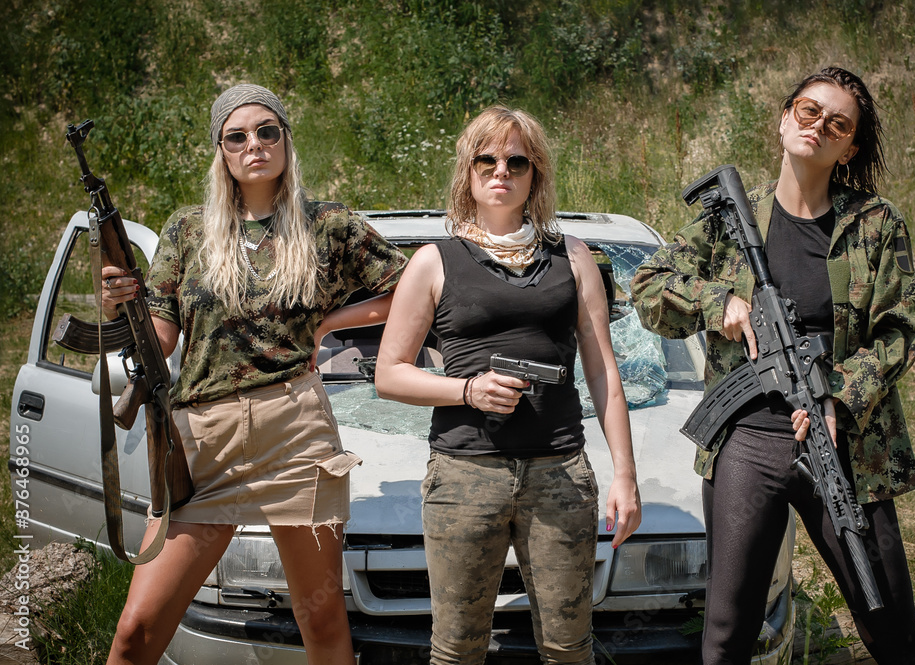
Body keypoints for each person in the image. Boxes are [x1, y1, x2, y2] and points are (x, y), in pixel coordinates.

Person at [631, 67, 915, 664]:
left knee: (890, 625)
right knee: (726, 632)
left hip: (844, 445)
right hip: (746, 440)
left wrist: (838, 400)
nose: (819, 125)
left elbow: (902, 329)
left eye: (838, 122)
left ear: (850, 146)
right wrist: (721, 303)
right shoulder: (727, 221)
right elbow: (648, 287)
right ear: (783, 117)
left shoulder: (874, 224)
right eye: (807, 110)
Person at [100, 83, 408, 664]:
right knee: (137, 631)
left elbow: (412, 287)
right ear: (221, 151)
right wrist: (122, 305)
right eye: (237, 136)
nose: (254, 145)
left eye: (268, 131)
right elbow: (163, 336)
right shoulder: (188, 229)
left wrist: (326, 325)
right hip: (202, 443)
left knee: (320, 619)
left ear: (286, 139)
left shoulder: (328, 225)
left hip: (295, 431)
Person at [374, 105, 642, 665]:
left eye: (516, 161)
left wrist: (626, 476)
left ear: (535, 173)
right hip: (464, 474)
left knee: (569, 650)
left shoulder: (574, 258)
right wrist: (466, 391)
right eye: (486, 159)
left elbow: (603, 372)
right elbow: (390, 374)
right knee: (457, 650)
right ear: (467, 171)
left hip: (561, 471)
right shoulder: (432, 261)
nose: (501, 171)